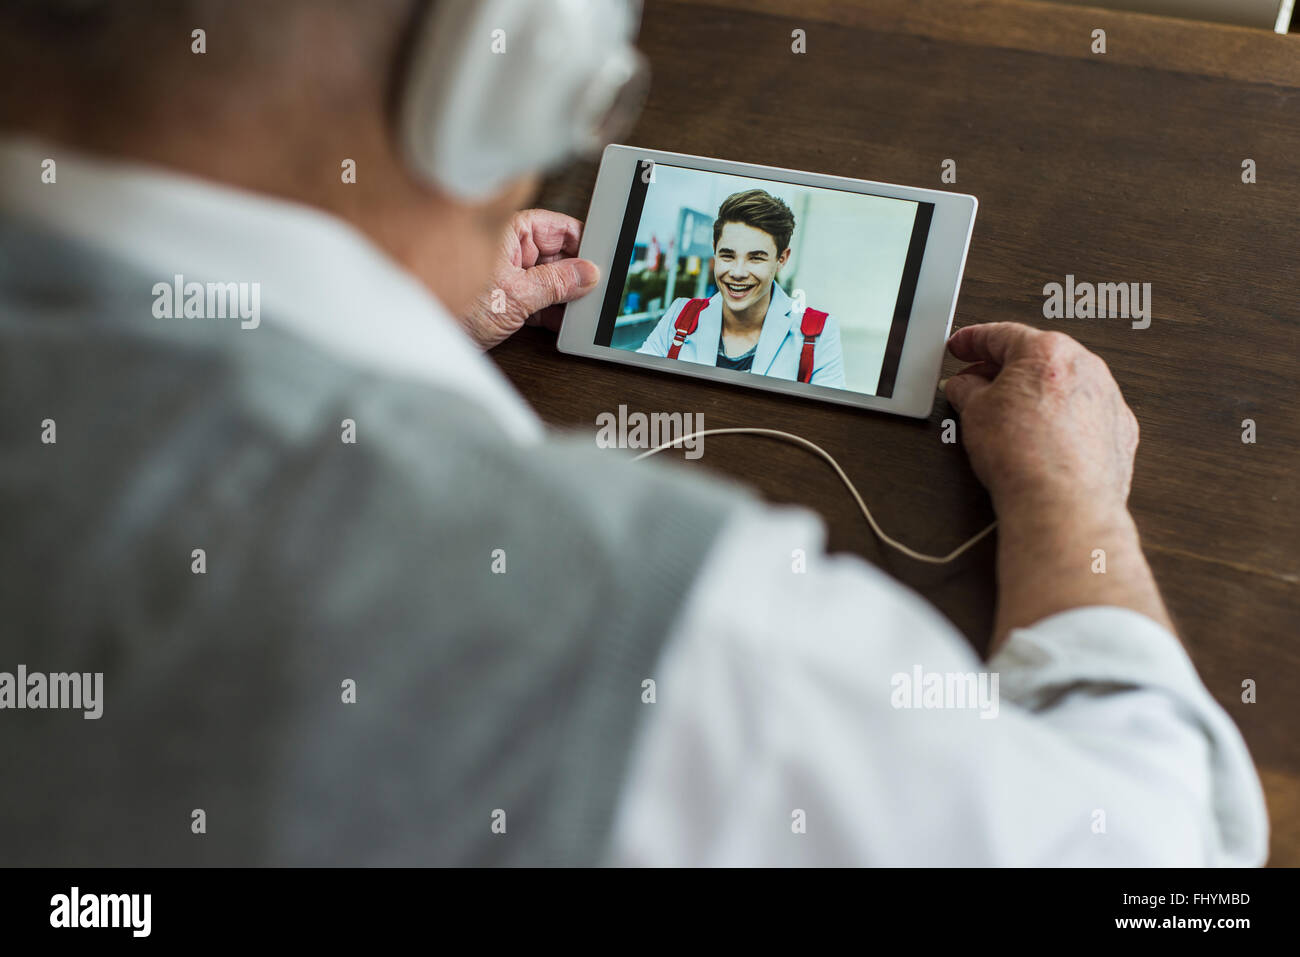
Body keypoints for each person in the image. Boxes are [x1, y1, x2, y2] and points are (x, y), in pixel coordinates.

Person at [0, 0, 1266, 866]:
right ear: (515, 63)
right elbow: (1161, 860)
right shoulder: (640, 631)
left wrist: (385, 293)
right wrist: (1073, 506)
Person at [637, 189, 847, 388]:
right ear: (715, 251)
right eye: (727, 255)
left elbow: (825, 422)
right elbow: (633, 388)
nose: (737, 272)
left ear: (782, 259)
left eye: (755, 258)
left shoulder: (819, 333)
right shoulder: (680, 315)